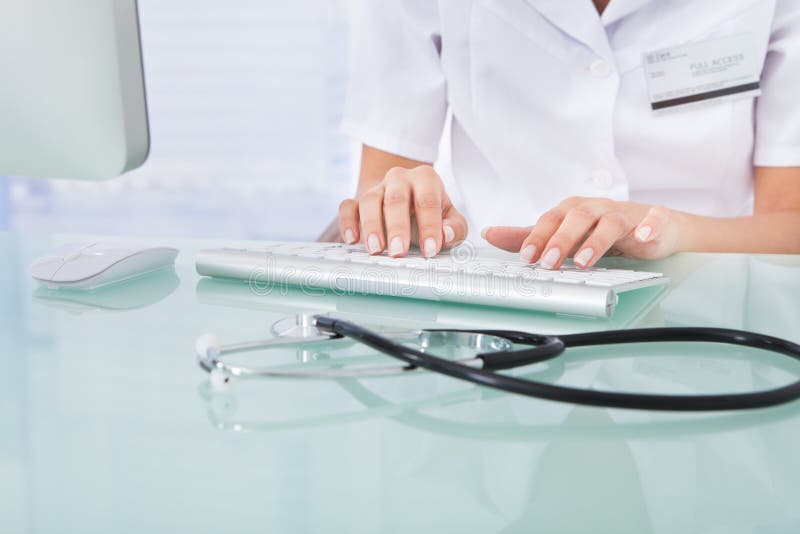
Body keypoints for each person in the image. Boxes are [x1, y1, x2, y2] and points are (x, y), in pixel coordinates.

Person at [327, 0, 800, 270]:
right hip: (498, 303)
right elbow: (383, 192)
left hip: (707, 300)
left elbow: (790, 222)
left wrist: (677, 231)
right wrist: (402, 211)